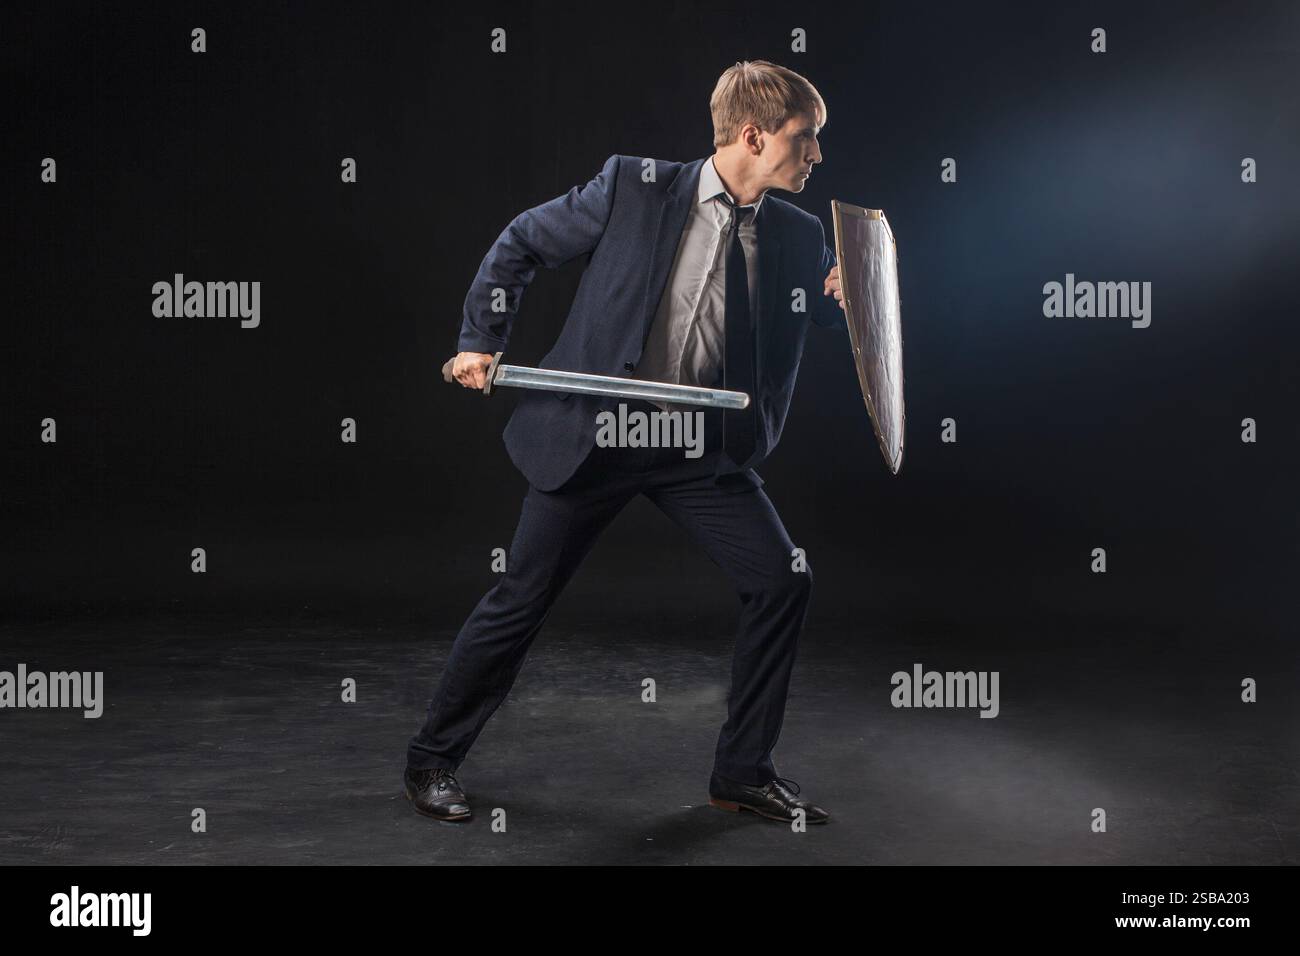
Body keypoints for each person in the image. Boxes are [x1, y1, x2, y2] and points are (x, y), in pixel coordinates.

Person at [405, 59, 847, 824]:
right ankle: (431, 761)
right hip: (597, 434)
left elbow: (826, 321)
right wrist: (481, 337)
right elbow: (522, 242)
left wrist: (848, 298)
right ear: (754, 136)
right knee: (522, 597)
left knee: (783, 581)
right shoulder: (633, 188)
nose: (816, 154)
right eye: (804, 137)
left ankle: (742, 773)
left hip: (698, 449)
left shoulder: (799, 237)